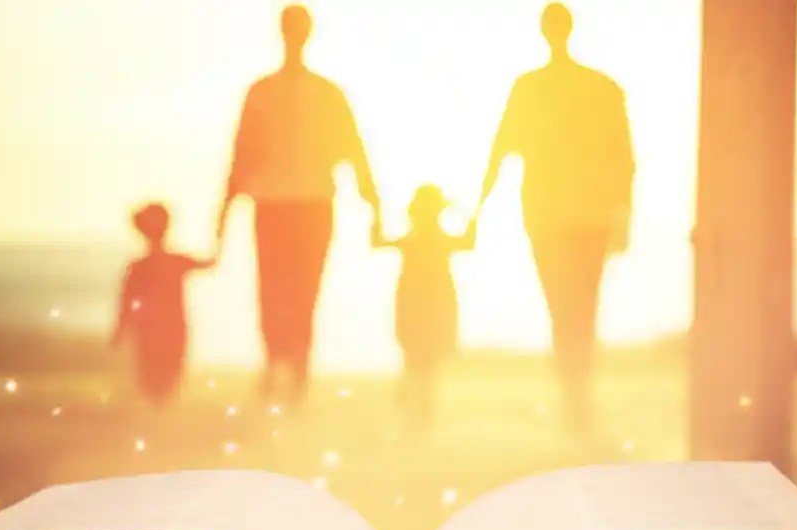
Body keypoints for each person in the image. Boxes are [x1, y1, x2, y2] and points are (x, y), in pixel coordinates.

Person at [468, 2, 636, 434]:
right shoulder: (600, 87)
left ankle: (575, 393)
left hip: (550, 214)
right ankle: (577, 393)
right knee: (582, 305)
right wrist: (624, 215)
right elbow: (625, 160)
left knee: (562, 305)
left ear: (547, 31)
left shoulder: (531, 88)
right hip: (584, 214)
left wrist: (478, 211)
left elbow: (500, 151)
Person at [217, 4, 382, 407]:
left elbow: (354, 152)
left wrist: (373, 205)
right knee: (283, 289)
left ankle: (292, 369)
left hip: (304, 204)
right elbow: (242, 154)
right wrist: (373, 207)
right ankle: (281, 364)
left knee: (296, 290)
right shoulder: (275, 92)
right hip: (285, 203)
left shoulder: (312, 93)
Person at [374, 184, 473, 429]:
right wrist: (463, 212)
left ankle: (416, 407)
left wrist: (375, 212)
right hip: (426, 304)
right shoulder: (431, 240)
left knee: (421, 362)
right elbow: (470, 240)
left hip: (424, 304)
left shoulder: (414, 240)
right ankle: (418, 409)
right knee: (425, 363)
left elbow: (376, 241)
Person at [112, 201, 217, 405]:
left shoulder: (139, 266)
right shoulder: (176, 261)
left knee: (154, 378)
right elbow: (210, 263)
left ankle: (157, 407)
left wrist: (121, 327)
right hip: (173, 328)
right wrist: (220, 234)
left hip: (149, 330)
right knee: (167, 376)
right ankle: (161, 408)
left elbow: (128, 301)